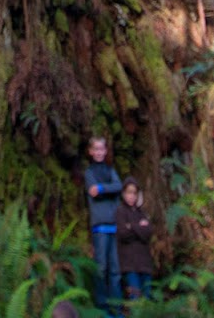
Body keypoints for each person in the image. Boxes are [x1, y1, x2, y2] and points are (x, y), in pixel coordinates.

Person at [83, 134, 122, 313]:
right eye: (96, 149)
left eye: (102, 149)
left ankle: (117, 307)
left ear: (106, 151)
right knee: (101, 268)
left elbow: (119, 186)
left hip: (114, 225)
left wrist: (101, 188)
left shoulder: (110, 170)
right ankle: (102, 306)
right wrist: (105, 190)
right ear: (91, 151)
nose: (99, 152)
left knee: (115, 268)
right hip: (99, 226)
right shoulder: (89, 172)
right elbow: (92, 192)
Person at [115, 177, 154, 301]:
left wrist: (131, 226)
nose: (131, 196)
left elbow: (148, 233)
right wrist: (138, 227)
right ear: (123, 194)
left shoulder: (141, 213)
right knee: (135, 299)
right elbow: (123, 234)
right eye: (128, 193)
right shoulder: (120, 212)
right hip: (129, 264)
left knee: (147, 299)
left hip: (145, 263)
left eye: (134, 193)